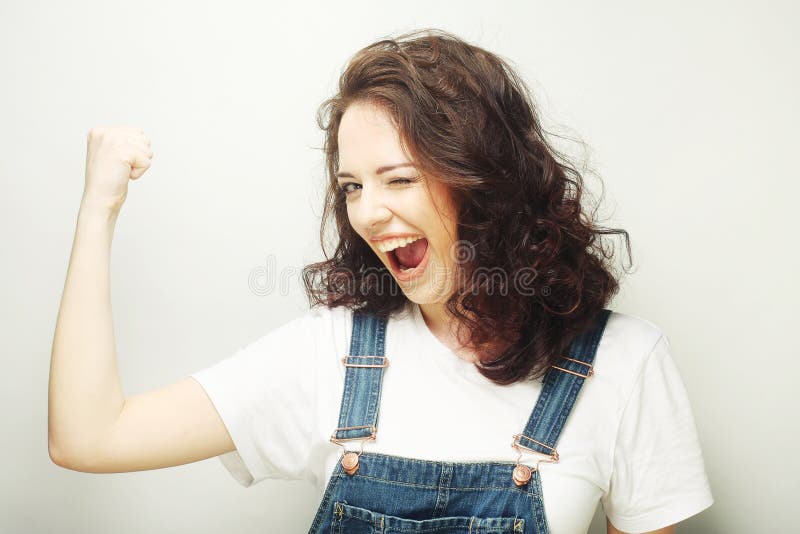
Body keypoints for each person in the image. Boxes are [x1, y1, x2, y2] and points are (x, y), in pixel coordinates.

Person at [48, 29, 713, 534]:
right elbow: (88, 437)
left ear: (488, 182)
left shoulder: (624, 365)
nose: (366, 212)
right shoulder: (330, 352)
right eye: (351, 186)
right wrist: (96, 212)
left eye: (398, 179)